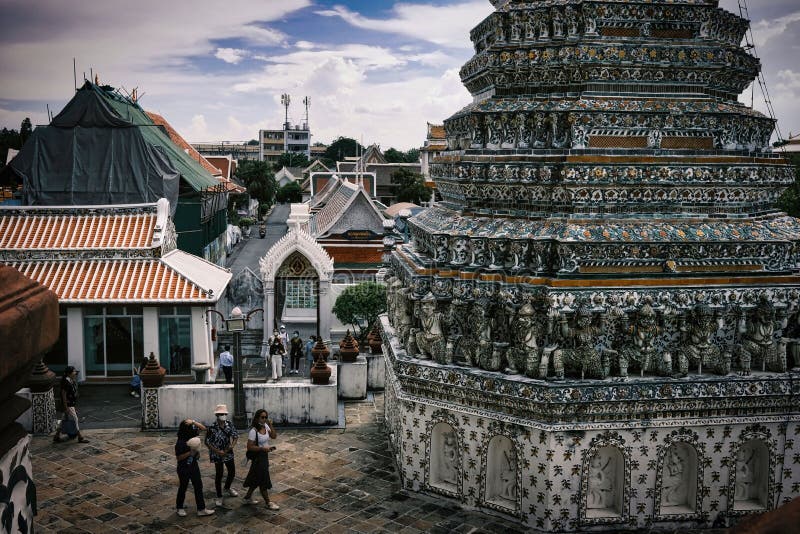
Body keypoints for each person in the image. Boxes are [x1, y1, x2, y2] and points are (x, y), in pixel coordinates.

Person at [175, 418, 216, 517]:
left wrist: (193, 421)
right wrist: (190, 452)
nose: (194, 429)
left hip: (193, 466)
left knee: (198, 486)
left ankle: (201, 509)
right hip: (183, 468)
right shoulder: (181, 442)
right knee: (183, 487)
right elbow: (179, 457)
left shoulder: (193, 438)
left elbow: (204, 429)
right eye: (192, 427)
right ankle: (179, 507)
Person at [242, 409, 280, 510]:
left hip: (264, 456)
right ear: (257, 418)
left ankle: (247, 497)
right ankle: (268, 502)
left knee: (256, 477)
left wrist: (270, 424)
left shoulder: (266, 426)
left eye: (265, 417)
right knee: (263, 479)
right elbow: (249, 447)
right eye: (262, 417)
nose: (264, 419)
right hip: (258, 457)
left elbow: (274, 436)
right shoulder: (253, 431)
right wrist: (262, 448)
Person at [205, 404, 239, 507]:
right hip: (217, 454)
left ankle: (227, 487)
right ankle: (219, 496)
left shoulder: (229, 425)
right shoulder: (212, 427)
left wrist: (231, 446)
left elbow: (235, 436)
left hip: (227, 452)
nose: (223, 415)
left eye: (224, 414)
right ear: (217, 415)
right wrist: (217, 451)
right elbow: (207, 442)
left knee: (232, 472)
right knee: (219, 474)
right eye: (221, 414)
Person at [53, 366, 89, 444]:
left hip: (70, 404)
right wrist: (66, 407)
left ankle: (56, 436)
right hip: (68, 405)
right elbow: (63, 395)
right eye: (74, 371)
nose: (75, 373)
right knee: (75, 419)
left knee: (63, 420)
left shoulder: (70, 380)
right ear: (69, 373)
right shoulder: (66, 382)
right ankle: (80, 437)